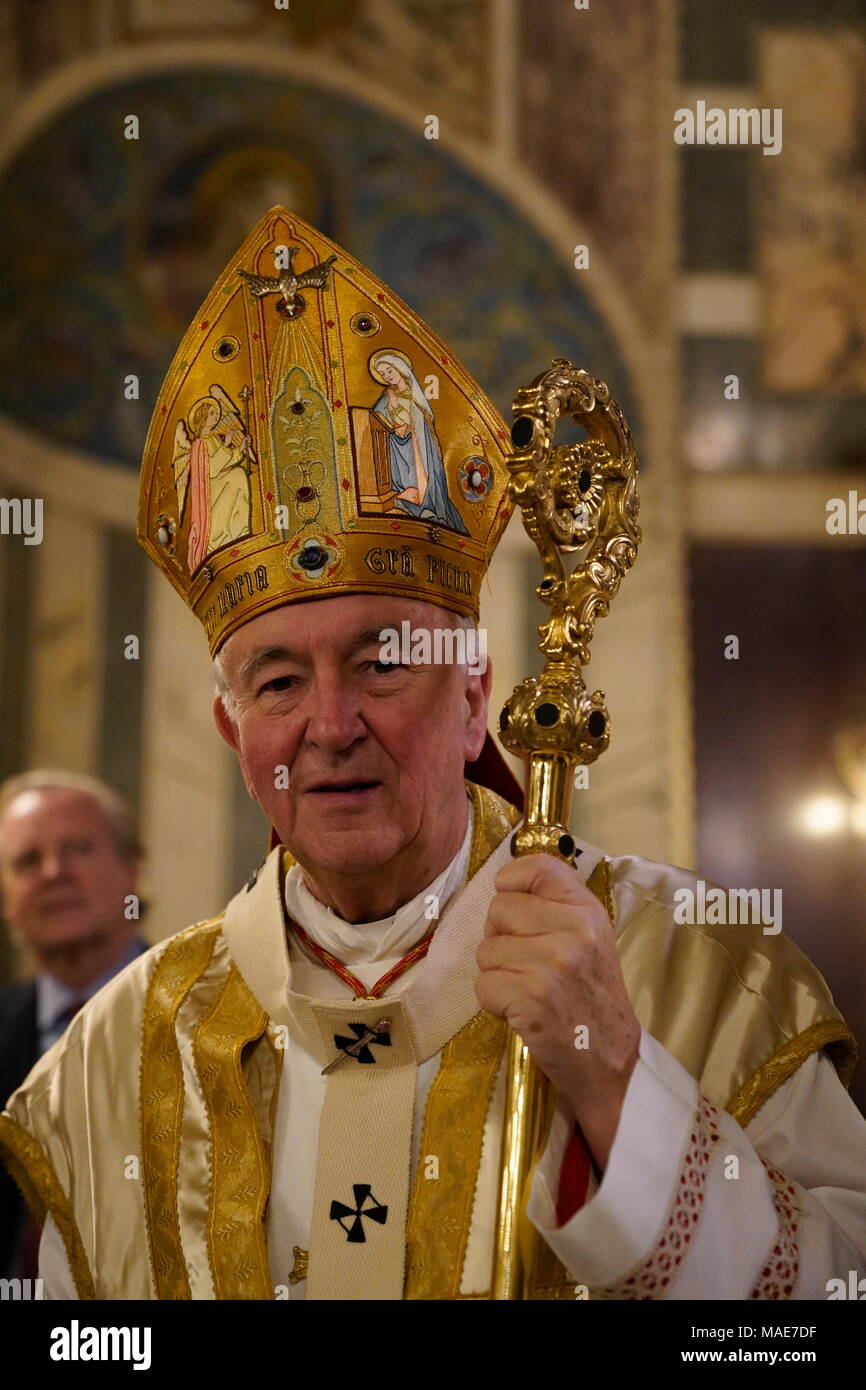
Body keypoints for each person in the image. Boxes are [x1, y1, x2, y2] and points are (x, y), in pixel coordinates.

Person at [2, 207, 865, 1301]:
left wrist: (615, 1087)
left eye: (380, 663)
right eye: (277, 680)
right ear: (234, 736)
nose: (329, 723)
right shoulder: (112, 1060)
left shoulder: (697, 973)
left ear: (473, 701)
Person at [0, 770, 146, 1279]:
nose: (53, 872)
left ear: (133, 869)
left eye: (78, 849)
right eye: (26, 861)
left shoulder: (209, 1014)